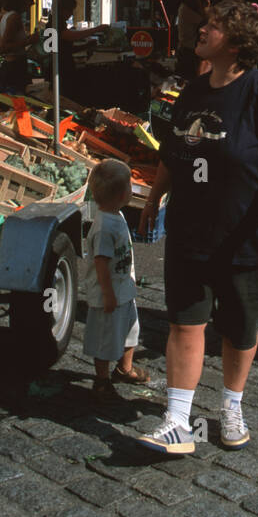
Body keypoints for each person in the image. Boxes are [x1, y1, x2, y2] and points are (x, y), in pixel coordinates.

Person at [136, 0, 258, 456]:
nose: (201, 29)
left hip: (249, 238)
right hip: (191, 232)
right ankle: (177, 421)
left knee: (239, 328)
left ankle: (231, 405)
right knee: (185, 323)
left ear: (236, 43)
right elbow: (174, 150)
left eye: (213, 27)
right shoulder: (193, 92)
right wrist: (157, 194)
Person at [84, 159, 151, 402]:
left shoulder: (116, 215)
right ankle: (101, 379)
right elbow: (101, 263)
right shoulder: (104, 226)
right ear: (124, 194)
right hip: (108, 296)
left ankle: (125, 368)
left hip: (124, 290)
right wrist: (108, 293)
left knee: (131, 330)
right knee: (105, 337)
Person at [0, 0, 31, 93]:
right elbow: (4, 46)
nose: (32, 2)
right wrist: (28, 41)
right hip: (14, 66)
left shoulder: (9, 16)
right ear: (22, 0)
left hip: (13, 65)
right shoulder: (13, 17)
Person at [176, 0, 210, 78]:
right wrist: (200, 5)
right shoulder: (185, 9)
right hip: (188, 48)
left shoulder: (186, 9)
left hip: (187, 47)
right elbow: (204, 20)